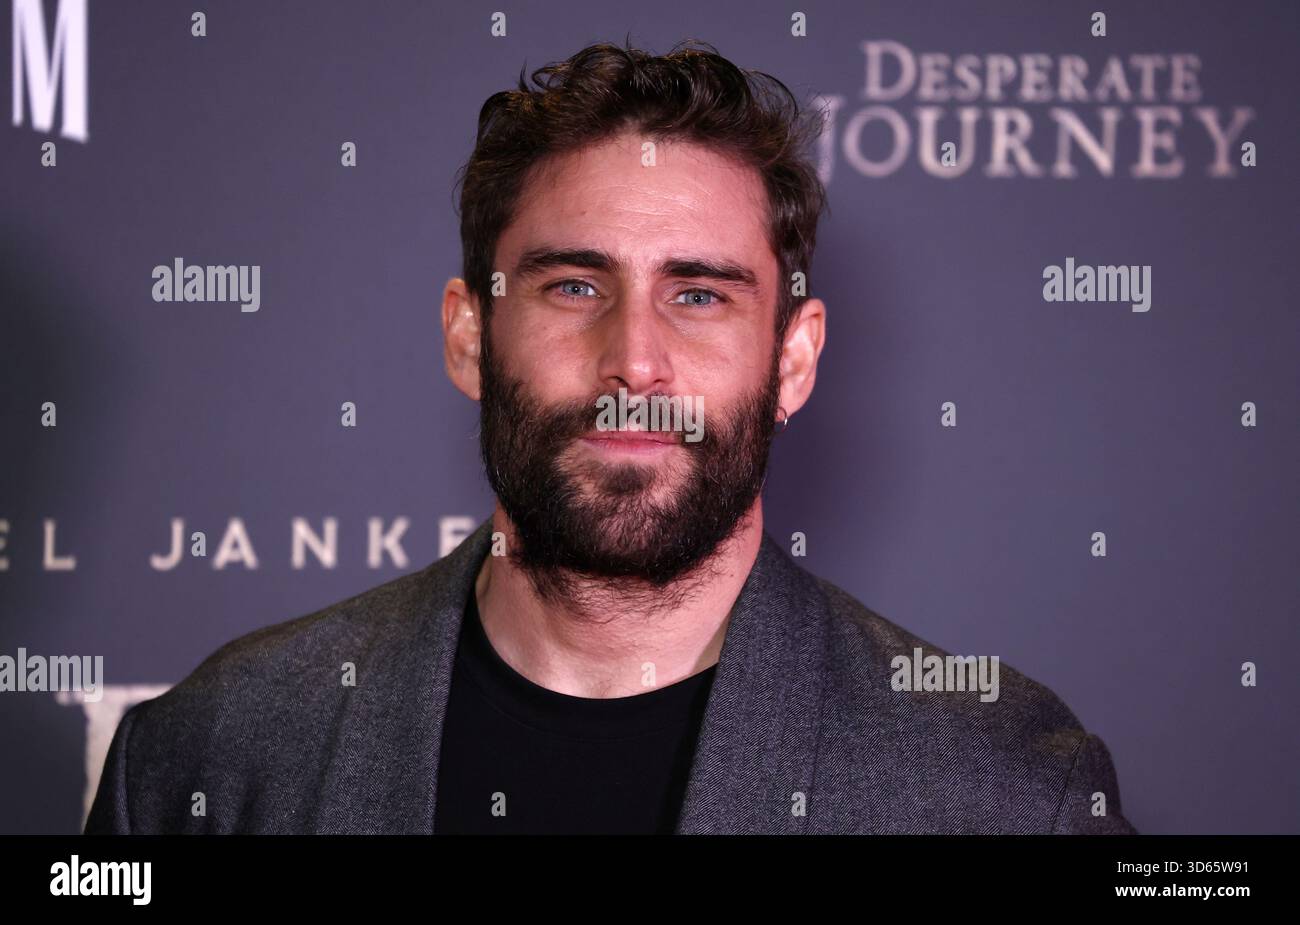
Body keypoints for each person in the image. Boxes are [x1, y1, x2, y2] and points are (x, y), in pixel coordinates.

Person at [85, 39, 1135, 835]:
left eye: (699, 294)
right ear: (468, 335)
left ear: (795, 360)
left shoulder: (1006, 790)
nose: (634, 359)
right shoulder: (210, 754)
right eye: (573, 285)